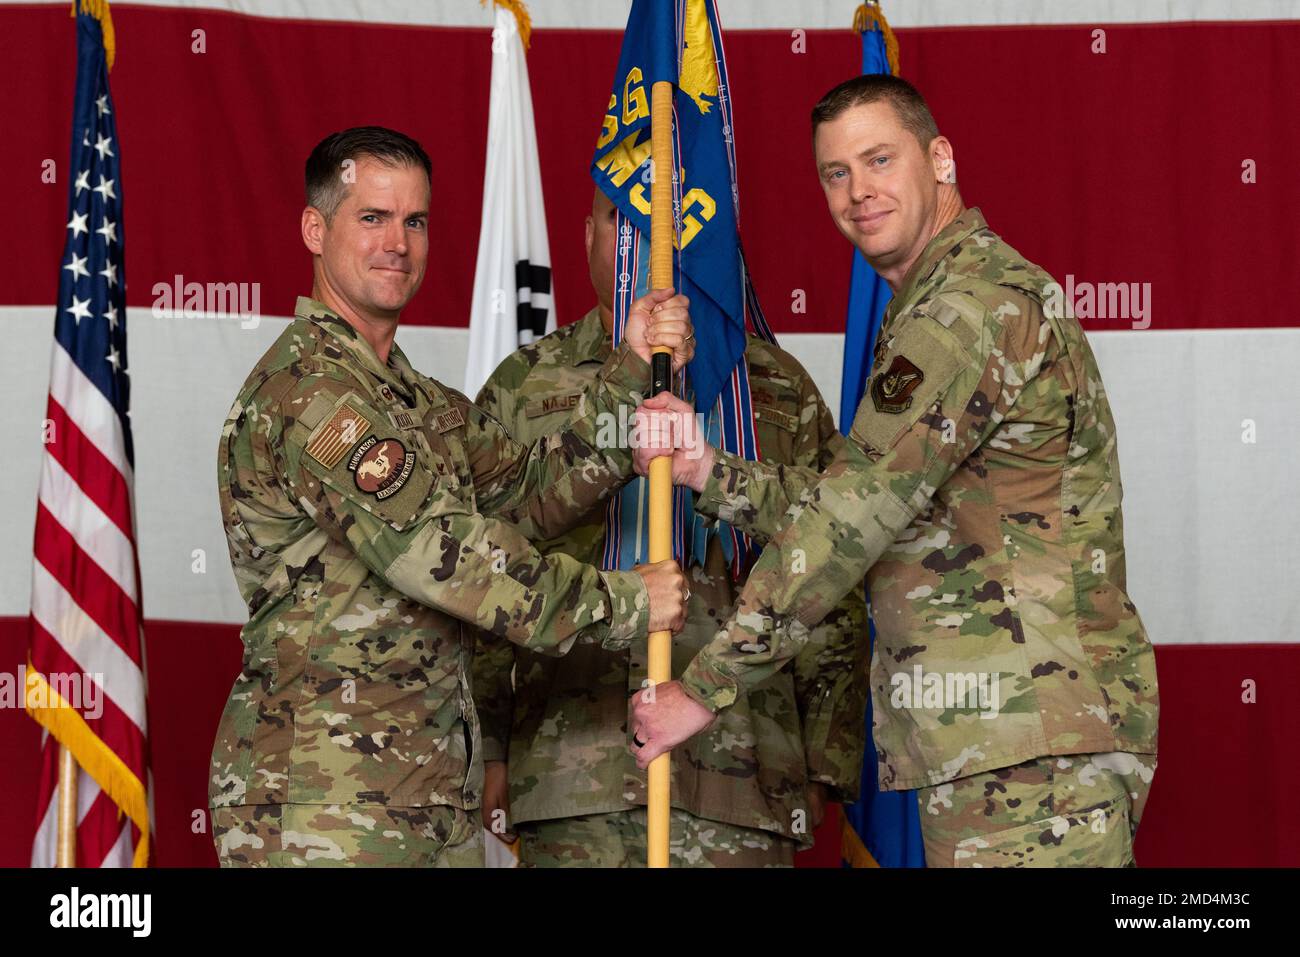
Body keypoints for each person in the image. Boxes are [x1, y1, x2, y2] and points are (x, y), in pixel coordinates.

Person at [630, 76, 1159, 868]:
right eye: (835, 172)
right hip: (1012, 738)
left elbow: (848, 521)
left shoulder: (964, 309)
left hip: (1028, 747)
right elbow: (884, 503)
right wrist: (711, 469)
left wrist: (701, 691)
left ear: (939, 159)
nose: (858, 191)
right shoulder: (941, 299)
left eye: (879, 159)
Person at [208, 126, 695, 867]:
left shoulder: (421, 404)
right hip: (322, 805)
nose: (396, 242)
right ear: (316, 228)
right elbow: (449, 556)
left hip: (424, 798)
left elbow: (529, 492)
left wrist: (630, 372)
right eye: (371, 217)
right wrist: (625, 602)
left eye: (415, 220)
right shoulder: (313, 393)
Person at [471, 188, 868, 867]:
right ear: (584, 233)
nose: (643, 241)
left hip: (744, 772)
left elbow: (833, 567)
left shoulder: (775, 386)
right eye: (620, 219)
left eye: (664, 222)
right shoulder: (525, 384)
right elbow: (487, 566)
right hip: (572, 774)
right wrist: (492, 749)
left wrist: (825, 757)